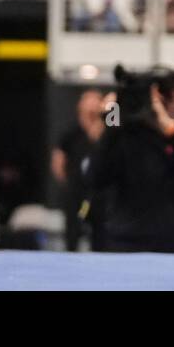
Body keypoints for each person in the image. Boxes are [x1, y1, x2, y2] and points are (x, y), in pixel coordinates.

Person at [89, 70, 174, 252]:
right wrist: (114, 120)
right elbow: (95, 177)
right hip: (126, 245)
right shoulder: (126, 140)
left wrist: (164, 122)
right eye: (169, 92)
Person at [52, 89, 105, 251]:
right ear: (80, 108)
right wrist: (67, 184)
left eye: (95, 107)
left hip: (98, 191)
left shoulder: (108, 132)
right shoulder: (70, 134)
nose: (91, 111)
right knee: (73, 232)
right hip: (76, 191)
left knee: (100, 232)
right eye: (87, 107)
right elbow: (58, 160)